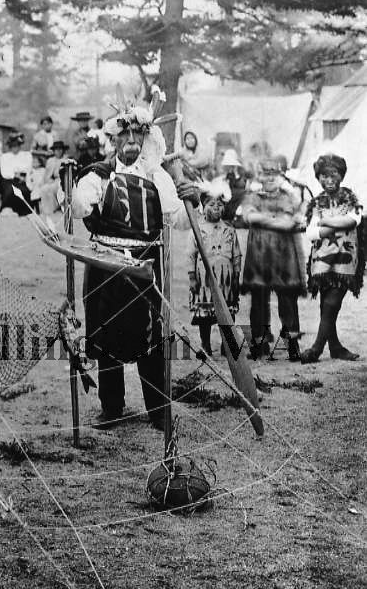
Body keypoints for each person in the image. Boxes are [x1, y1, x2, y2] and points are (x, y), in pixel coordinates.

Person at [72, 99, 197, 429]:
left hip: (145, 266)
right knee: (107, 335)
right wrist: (74, 190)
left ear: (146, 141)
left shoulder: (157, 177)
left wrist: (194, 200)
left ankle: (158, 410)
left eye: (136, 140)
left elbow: (180, 221)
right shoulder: (99, 175)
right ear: (114, 142)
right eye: (124, 139)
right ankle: (112, 407)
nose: (130, 145)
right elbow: (80, 208)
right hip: (105, 265)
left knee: (152, 337)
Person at [237, 157, 306, 360]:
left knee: (287, 300)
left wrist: (264, 219)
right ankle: (259, 344)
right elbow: (249, 217)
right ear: (260, 175)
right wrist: (276, 220)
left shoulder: (288, 196)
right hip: (259, 257)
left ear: (279, 176)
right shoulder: (253, 196)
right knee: (258, 301)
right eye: (265, 174)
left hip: (284, 258)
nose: (269, 179)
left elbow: (289, 223)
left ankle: (292, 345)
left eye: (273, 174)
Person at [300, 154, 364, 363]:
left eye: (333, 175)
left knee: (332, 302)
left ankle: (317, 348)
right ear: (318, 178)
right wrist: (333, 224)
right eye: (324, 176)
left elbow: (352, 220)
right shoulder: (316, 202)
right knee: (326, 303)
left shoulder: (351, 198)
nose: (329, 180)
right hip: (322, 259)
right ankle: (335, 347)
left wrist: (325, 222)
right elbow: (310, 233)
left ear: (341, 176)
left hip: (345, 259)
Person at [187, 186, 242, 356]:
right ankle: (205, 344)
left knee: (228, 312)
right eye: (211, 204)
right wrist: (192, 278)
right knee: (205, 313)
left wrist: (236, 275)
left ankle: (229, 345)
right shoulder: (196, 230)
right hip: (205, 278)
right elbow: (190, 255)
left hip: (226, 277)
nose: (216, 207)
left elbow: (237, 254)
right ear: (203, 207)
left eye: (219, 204)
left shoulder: (229, 230)